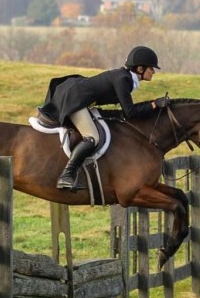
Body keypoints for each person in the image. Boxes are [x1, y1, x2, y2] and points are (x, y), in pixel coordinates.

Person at [37, 45, 170, 190]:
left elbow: (125, 110)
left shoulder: (125, 78)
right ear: (140, 69)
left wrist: (152, 104)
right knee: (93, 137)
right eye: (151, 68)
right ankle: (66, 176)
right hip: (75, 99)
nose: (153, 72)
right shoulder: (123, 79)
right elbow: (130, 112)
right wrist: (154, 105)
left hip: (80, 97)